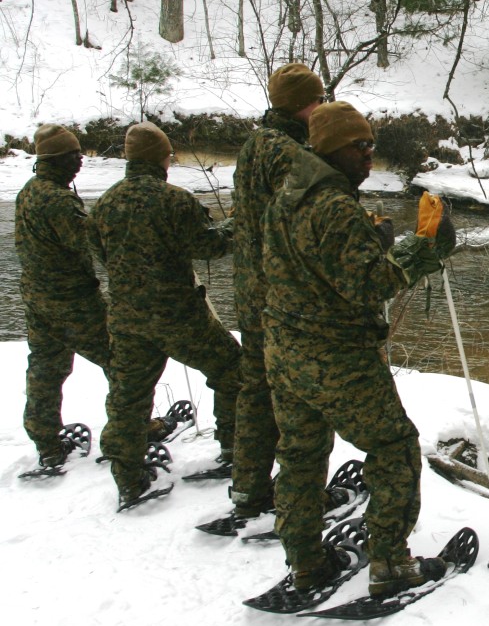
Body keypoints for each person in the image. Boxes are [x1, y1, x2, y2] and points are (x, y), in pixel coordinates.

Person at [260, 101, 448, 596]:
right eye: (357, 146)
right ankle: (390, 562)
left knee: (300, 455)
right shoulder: (334, 208)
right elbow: (369, 285)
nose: (368, 154)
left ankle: (305, 563)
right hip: (335, 357)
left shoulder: (286, 199)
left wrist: (372, 239)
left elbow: (305, 270)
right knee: (394, 448)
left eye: (371, 145)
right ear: (327, 149)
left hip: (284, 351)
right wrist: (423, 249)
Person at [91, 122, 242, 509]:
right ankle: (235, 450)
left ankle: (128, 479)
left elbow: (100, 252)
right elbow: (206, 247)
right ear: (163, 158)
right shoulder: (175, 200)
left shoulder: (104, 203)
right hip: (178, 316)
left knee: (128, 397)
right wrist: (235, 228)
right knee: (232, 369)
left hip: (126, 317)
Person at [227, 63, 324, 521]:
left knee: (255, 389)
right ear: (306, 104)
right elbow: (305, 224)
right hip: (280, 296)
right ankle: (296, 502)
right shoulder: (286, 152)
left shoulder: (253, 144)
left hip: (249, 290)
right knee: (293, 401)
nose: (322, 107)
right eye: (319, 100)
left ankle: (247, 486)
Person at [14, 124, 109, 470]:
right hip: (73, 302)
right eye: (76, 155)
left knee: (45, 370)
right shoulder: (57, 200)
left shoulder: (29, 192)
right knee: (123, 360)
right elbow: (92, 244)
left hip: (37, 300)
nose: (81, 160)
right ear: (60, 158)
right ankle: (134, 429)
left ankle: (46, 442)